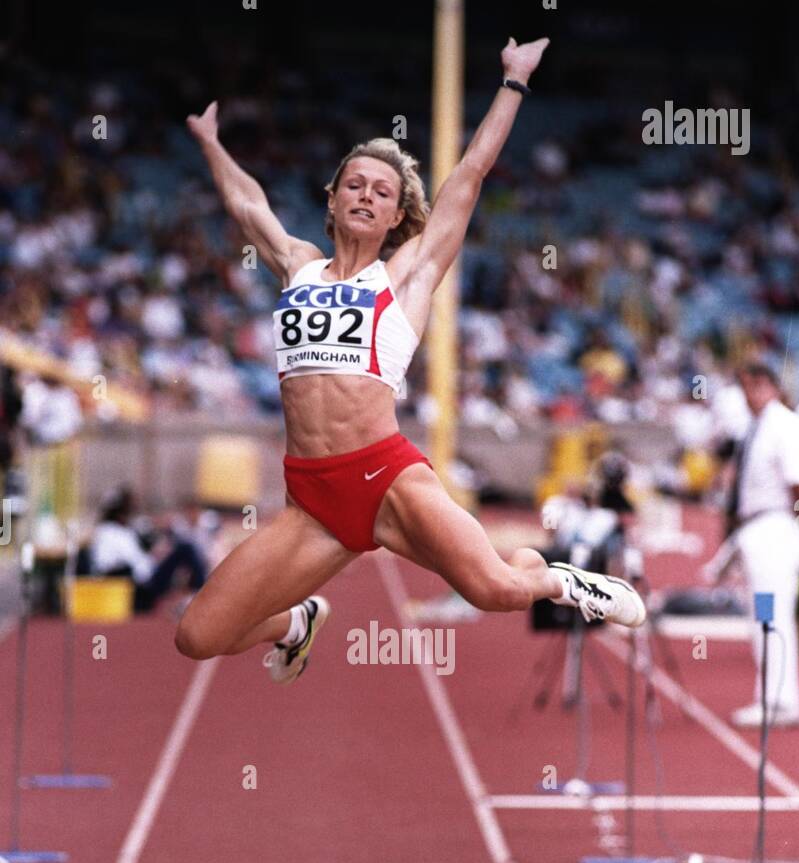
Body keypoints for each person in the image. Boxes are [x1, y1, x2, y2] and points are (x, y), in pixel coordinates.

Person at [176, 36, 645, 685]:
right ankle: (298, 622)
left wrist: (513, 80)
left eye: (382, 192)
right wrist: (209, 142)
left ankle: (555, 577)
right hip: (311, 499)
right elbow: (246, 202)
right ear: (334, 198)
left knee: (496, 591)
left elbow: (469, 177)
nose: (366, 196)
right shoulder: (297, 265)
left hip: (385, 477)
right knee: (198, 635)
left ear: (397, 214)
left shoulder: (405, 277)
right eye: (354, 185)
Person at [727, 363, 799, 727]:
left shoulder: (783, 425)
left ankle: (780, 700)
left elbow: (798, 485)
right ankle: (773, 695)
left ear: (771, 386)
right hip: (758, 528)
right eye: (745, 386)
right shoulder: (758, 427)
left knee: (772, 614)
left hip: (775, 527)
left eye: (755, 385)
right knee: (763, 615)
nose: (749, 395)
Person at [90, 487, 207, 613]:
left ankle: (196, 594)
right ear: (118, 512)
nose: (130, 514)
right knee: (186, 548)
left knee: (183, 548)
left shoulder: (126, 530)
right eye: (127, 510)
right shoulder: (106, 532)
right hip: (139, 586)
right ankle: (203, 597)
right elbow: (104, 565)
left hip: (147, 575)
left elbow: (139, 553)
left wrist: (155, 554)